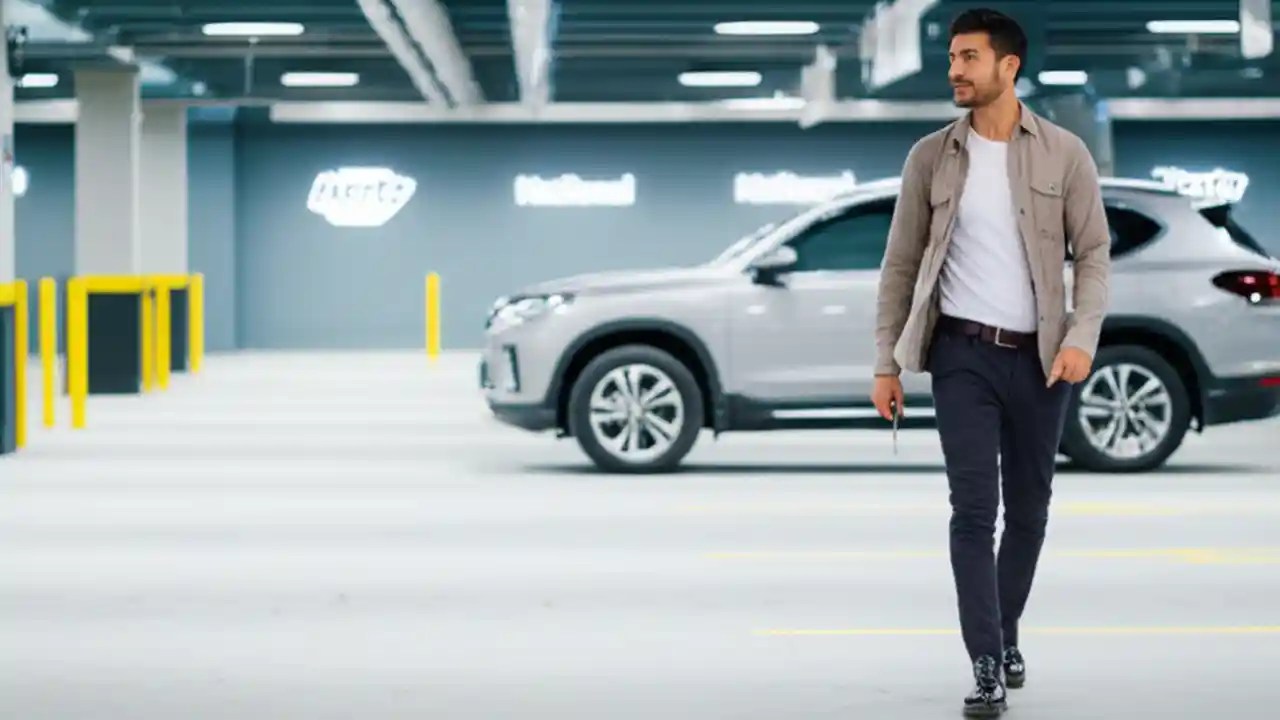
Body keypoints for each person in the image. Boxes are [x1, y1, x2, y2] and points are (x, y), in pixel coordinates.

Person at [871, 7, 1111, 718]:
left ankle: (1005, 631)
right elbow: (900, 264)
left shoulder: (1065, 154)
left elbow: (1093, 253)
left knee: (1030, 512)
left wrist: (1081, 337)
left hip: (1040, 360)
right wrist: (886, 362)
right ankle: (984, 664)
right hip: (960, 357)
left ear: (1009, 67)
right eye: (951, 57)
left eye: (968, 58)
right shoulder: (930, 157)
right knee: (973, 511)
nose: (955, 71)